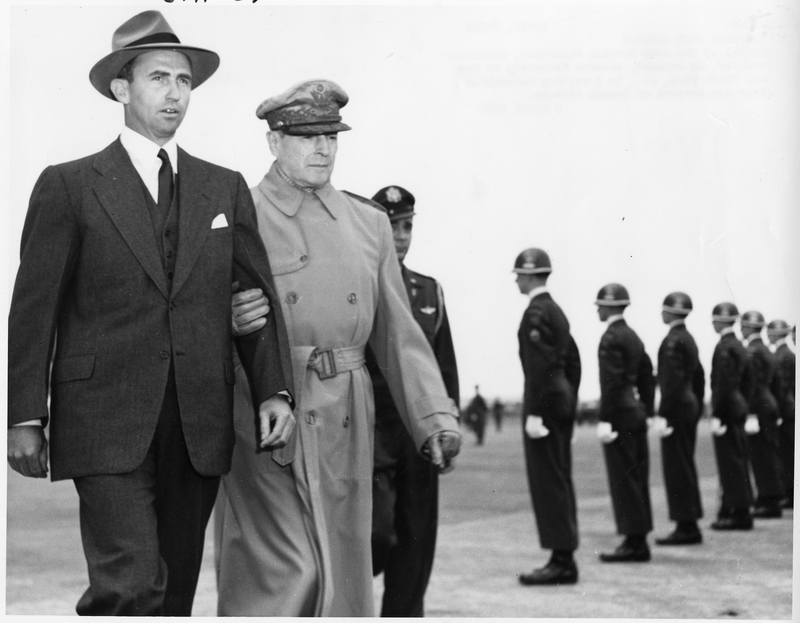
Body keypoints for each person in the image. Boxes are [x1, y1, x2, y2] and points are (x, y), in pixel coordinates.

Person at [5, 11, 294, 616]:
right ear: (120, 88)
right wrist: (25, 414)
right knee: (130, 585)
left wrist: (275, 391)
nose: (174, 92)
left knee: (175, 596)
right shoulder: (69, 185)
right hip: (103, 421)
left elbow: (255, 300)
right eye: (158, 77)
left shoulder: (224, 187)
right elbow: (34, 310)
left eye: (184, 80)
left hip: (198, 422)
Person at [214, 80, 462, 617]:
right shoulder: (238, 214)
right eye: (306, 136)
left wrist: (433, 418)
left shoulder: (368, 223)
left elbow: (398, 333)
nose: (322, 148)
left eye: (330, 135)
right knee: (286, 572)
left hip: (347, 416)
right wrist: (225, 319)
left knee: (341, 572)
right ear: (273, 141)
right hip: (266, 415)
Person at [367, 185, 460, 617]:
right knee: (377, 534)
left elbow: (443, 368)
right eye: (390, 225)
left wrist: (447, 426)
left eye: (406, 226)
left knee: (416, 542)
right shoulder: (359, 283)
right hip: (372, 433)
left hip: (419, 436)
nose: (401, 236)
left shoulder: (428, 291)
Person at [513, 248, 581, 585]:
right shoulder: (557, 312)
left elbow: (538, 367)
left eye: (518, 275)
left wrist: (537, 412)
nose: (516, 281)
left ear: (528, 275)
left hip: (545, 404)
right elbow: (573, 362)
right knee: (560, 476)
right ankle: (563, 553)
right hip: (562, 401)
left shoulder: (536, 314)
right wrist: (570, 401)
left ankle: (561, 559)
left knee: (548, 480)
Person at [594, 283, 656, 562]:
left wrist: (605, 418)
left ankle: (634, 542)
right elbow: (646, 375)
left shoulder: (610, 337)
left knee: (624, 479)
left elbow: (611, 382)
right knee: (637, 478)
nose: (597, 308)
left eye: (600, 304)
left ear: (609, 306)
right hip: (636, 412)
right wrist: (648, 409)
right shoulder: (633, 336)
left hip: (619, 413)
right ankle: (638, 537)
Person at [652, 292, 705, 545]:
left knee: (677, 468)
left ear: (672, 312)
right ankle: (689, 523)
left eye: (664, 309)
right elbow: (699, 378)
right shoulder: (689, 339)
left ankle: (686, 526)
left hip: (676, 409)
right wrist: (695, 407)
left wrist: (663, 414)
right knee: (684, 465)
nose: (661, 313)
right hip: (688, 406)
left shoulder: (672, 340)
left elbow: (670, 383)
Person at [708, 302, 755, 530]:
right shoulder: (739, 345)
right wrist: (743, 404)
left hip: (726, 410)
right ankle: (738, 508)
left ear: (720, 321)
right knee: (738, 461)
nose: (713, 323)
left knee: (731, 464)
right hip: (737, 407)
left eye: (714, 319)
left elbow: (722, 383)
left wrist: (717, 413)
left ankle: (739, 513)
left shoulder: (725, 346)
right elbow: (748, 382)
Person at [739, 310, 785, 518]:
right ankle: (770, 497)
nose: (741, 329)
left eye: (743, 326)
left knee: (761, 455)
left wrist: (750, 412)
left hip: (758, 407)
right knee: (769, 453)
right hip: (769, 405)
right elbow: (776, 384)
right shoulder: (766, 349)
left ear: (748, 327)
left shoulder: (752, 351)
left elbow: (752, 385)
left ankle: (768, 500)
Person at [766, 319, 795, 509]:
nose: (768, 334)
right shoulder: (785, 354)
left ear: (776, 333)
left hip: (785, 410)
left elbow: (782, 388)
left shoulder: (782, 355)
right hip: (788, 409)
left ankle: (790, 494)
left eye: (770, 332)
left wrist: (778, 412)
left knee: (787, 453)